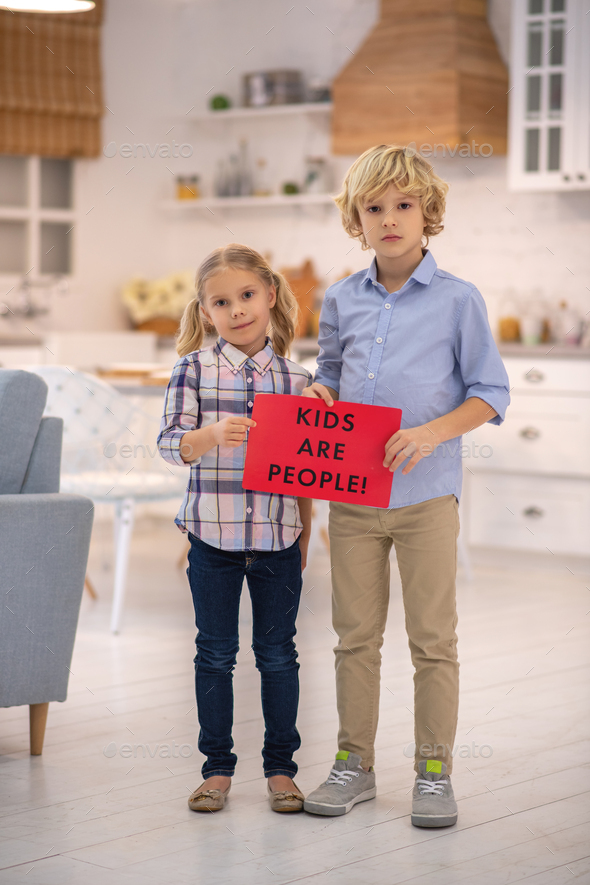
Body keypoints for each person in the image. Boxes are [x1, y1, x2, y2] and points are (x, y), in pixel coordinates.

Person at [302, 144, 510, 827]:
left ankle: (431, 771)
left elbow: (489, 392)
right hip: (353, 498)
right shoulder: (339, 297)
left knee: (432, 640)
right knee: (353, 637)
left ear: (428, 214)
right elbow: (331, 369)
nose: (388, 219)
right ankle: (352, 764)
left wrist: (430, 434)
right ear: (355, 219)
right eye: (373, 207)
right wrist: (319, 392)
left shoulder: (459, 301)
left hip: (426, 499)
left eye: (403, 205)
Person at [157, 243, 313, 814]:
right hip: (211, 542)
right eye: (222, 302)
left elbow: (308, 473)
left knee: (278, 655)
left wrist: (304, 533)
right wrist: (209, 435)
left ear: (270, 296)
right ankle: (217, 769)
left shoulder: (300, 381)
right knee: (214, 654)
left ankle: (281, 771)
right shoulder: (191, 369)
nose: (238, 309)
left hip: (276, 542)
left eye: (247, 295)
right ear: (205, 313)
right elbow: (170, 445)